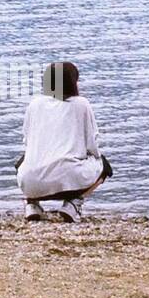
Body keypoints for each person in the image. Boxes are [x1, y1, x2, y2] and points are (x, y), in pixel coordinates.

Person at [15, 62, 112, 223]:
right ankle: (74, 204)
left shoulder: (35, 104)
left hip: (30, 182)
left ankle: (31, 203)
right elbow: (92, 145)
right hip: (69, 180)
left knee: (22, 163)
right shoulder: (81, 104)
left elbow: (27, 140)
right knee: (105, 167)